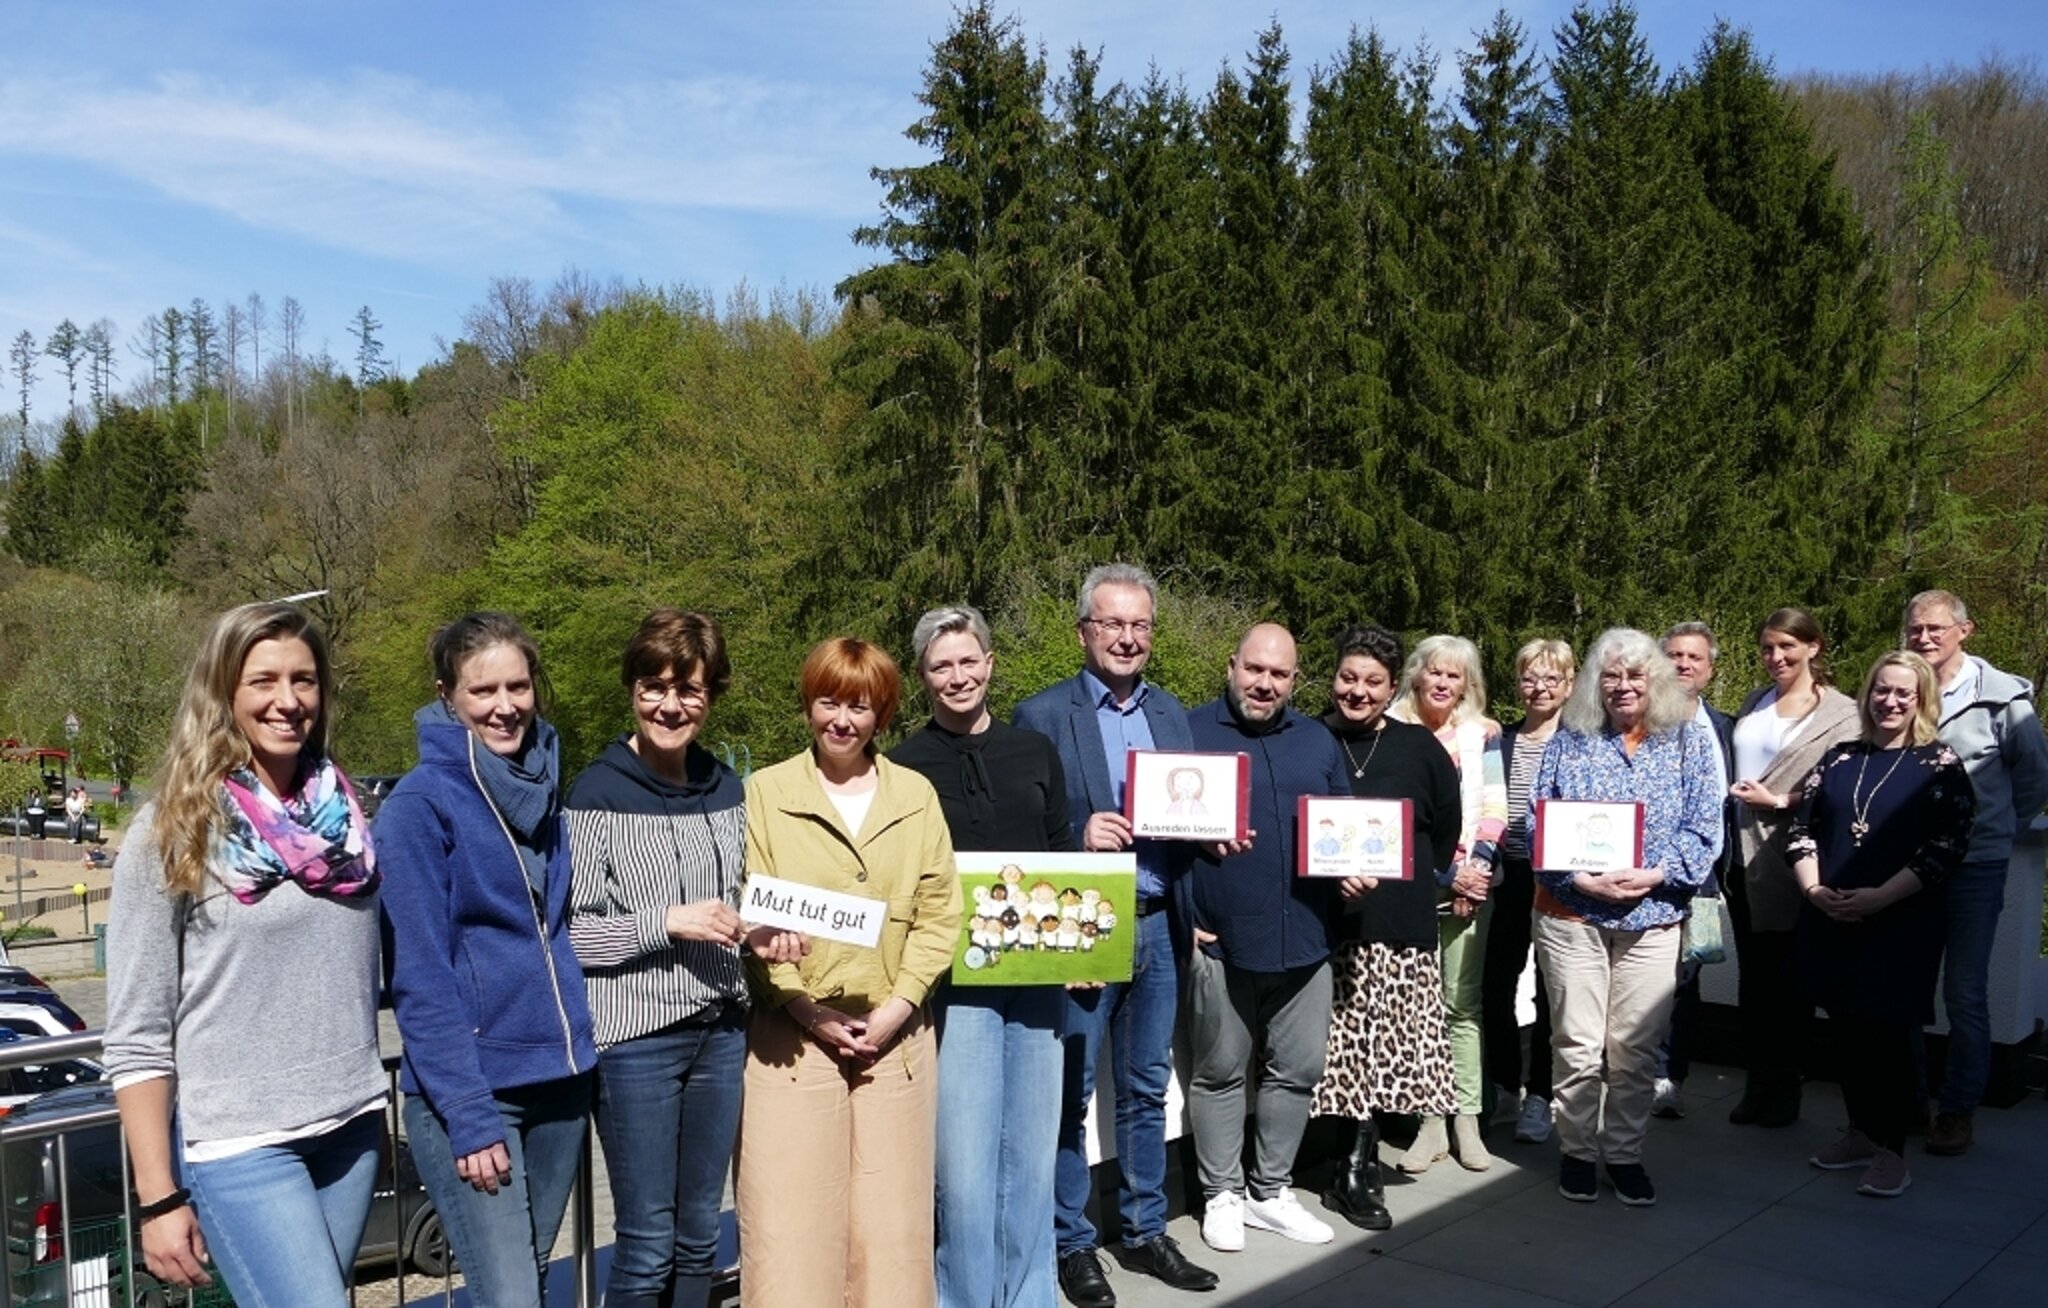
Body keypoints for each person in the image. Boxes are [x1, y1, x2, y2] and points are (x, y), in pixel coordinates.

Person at [105, 602, 384, 1305]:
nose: (288, 701)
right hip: (240, 1147)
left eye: (304, 680)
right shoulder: (171, 831)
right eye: (263, 681)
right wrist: (158, 1197)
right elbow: (137, 1035)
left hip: (351, 1126)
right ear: (224, 692)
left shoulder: (345, 816)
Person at [564, 610, 803, 1308]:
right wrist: (665, 921)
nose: (671, 704)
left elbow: (736, 903)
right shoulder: (595, 792)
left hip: (722, 1033)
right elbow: (574, 938)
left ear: (711, 695)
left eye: (689, 688)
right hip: (636, 1041)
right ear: (633, 691)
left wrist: (758, 934)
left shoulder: (728, 788)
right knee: (645, 1241)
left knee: (702, 1233)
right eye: (654, 686)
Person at [377, 613, 598, 1308]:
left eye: (519, 685)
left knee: (525, 1283)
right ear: (448, 696)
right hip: (477, 1094)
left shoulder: (543, 790)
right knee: (510, 1295)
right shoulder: (418, 806)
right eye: (483, 691)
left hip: (559, 1080)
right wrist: (469, 1115)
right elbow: (420, 974)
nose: (506, 706)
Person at [1013, 563, 1216, 1307]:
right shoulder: (1040, 715)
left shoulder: (1172, 714)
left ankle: (1144, 1230)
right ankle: (1073, 1244)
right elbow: (1018, 827)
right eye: (1112, 624)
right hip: (1081, 922)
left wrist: (1218, 836)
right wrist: (1076, 833)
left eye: (1140, 626)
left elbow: (1191, 813)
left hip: (1161, 924)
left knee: (1143, 1086)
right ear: (1083, 632)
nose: (1127, 638)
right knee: (1071, 1091)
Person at [736, 637, 961, 1308]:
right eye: (829, 702)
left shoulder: (915, 796)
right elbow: (752, 913)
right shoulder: (766, 794)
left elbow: (940, 915)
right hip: (793, 1044)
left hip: (897, 1045)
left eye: (859, 706)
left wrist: (897, 1009)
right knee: (790, 1236)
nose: (842, 720)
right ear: (808, 705)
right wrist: (806, 1008)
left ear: (882, 713)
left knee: (893, 1241)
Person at [890, 604, 1074, 1308]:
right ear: (922, 677)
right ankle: (964, 1298)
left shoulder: (1036, 752)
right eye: (942, 665)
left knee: (1029, 1161)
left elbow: (1063, 857)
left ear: (991, 664)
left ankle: (1032, 1296)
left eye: (970, 661)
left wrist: (1083, 948)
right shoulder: (903, 768)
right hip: (953, 987)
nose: (958, 676)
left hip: (1038, 980)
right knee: (964, 1170)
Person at [1531, 628, 1722, 1206]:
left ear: (1655, 679)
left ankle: (1625, 1153)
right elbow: (1542, 823)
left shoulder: (1685, 740)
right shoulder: (1570, 738)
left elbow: (1704, 826)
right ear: (1595, 681)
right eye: (1611, 675)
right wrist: (1580, 877)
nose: (1622, 685)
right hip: (1572, 914)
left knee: (1634, 1048)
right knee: (1579, 1043)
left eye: (1634, 674)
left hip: (1655, 914)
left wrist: (1656, 874)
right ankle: (1578, 1152)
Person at [1181, 624, 1348, 1253]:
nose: (1265, 684)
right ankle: (1221, 1193)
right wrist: (1182, 911)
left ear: (1294, 680)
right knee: (1221, 1069)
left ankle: (1271, 1191)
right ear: (1231, 666)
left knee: (1297, 1070)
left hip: (1307, 938)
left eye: (1279, 675)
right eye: (1255, 669)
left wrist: (1355, 875)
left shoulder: (1317, 739)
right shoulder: (1188, 733)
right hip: (1221, 939)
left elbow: (1348, 824)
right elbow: (1155, 834)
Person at [1791, 652, 1973, 1196]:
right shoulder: (1840, 757)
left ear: (1921, 700)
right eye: (1881, 691)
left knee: (1888, 1035)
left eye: (1903, 693)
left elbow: (1947, 846)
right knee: (1845, 1029)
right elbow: (1802, 830)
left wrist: (1879, 898)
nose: (1890, 702)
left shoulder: (1940, 765)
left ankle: (1894, 1149)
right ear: (1867, 694)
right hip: (1832, 912)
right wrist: (1815, 890)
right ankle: (1862, 1133)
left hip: (1900, 921)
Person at [1311, 625, 1462, 1231]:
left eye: (1373, 681)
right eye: (1349, 678)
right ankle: (1342, 1163)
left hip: (1396, 924)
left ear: (1392, 687)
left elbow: (1445, 833)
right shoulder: (1308, 737)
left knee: (1380, 1055)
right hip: (1324, 924)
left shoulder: (1419, 747)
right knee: (1333, 1052)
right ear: (1333, 679)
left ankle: (1358, 1162)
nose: (1358, 691)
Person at [1901, 589, 2048, 1155]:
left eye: (1936, 629)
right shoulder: (1900, 686)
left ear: (1966, 630)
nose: (1924, 638)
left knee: (1964, 993)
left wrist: (1996, 831)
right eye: (1915, 630)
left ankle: (1957, 1109)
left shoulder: (2005, 698)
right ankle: (1910, 1104)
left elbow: (2034, 777)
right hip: (1909, 868)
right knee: (1907, 989)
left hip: (1974, 868)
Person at [1723, 608, 1861, 1128]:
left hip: (1797, 859)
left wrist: (1781, 799)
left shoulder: (1841, 713)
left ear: (1814, 648)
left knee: (1791, 981)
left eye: (1786, 647)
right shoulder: (1755, 702)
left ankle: (1785, 1089)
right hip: (1742, 858)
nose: (1776, 657)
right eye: (1767, 648)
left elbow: (1843, 782)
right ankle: (1758, 1084)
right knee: (1755, 980)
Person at [1387, 635, 1506, 1172]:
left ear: (1467, 684)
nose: (1442, 683)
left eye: (1454, 676)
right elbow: (1391, 819)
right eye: (1434, 671)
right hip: (1410, 885)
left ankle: (1466, 1120)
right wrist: (1445, 874)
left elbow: (1495, 810)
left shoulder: (1483, 735)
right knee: (1417, 1009)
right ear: (1416, 674)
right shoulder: (1389, 729)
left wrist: (1473, 872)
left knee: (1462, 1005)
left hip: (1471, 885)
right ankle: (1428, 1125)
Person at [1483, 638, 1574, 1145]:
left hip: (1560, 881)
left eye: (1551, 678)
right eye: (1529, 677)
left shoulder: (1582, 740)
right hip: (1509, 875)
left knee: (1551, 991)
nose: (1539, 687)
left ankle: (1542, 1093)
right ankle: (1504, 1084)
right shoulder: (1502, 739)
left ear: (1569, 684)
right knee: (1496, 984)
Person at [1650, 622, 1737, 1120]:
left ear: (1710, 668)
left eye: (1694, 658)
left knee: (1688, 974)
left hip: (1704, 878)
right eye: (1674, 655)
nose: (1684, 664)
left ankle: (1669, 1076)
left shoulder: (1726, 727)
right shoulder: (1642, 720)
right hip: (1650, 873)